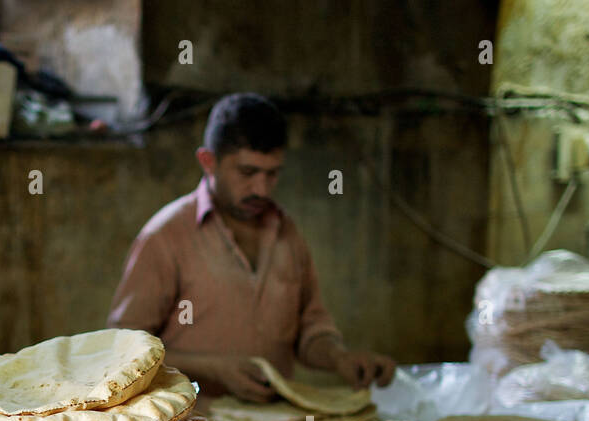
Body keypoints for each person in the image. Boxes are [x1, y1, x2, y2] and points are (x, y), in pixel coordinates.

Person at [107, 93, 396, 400]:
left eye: (272, 174)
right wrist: (213, 369)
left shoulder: (287, 233)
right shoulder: (166, 236)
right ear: (208, 161)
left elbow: (310, 330)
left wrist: (339, 358)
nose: (261, 188)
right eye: (247, 173)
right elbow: (124, 350)